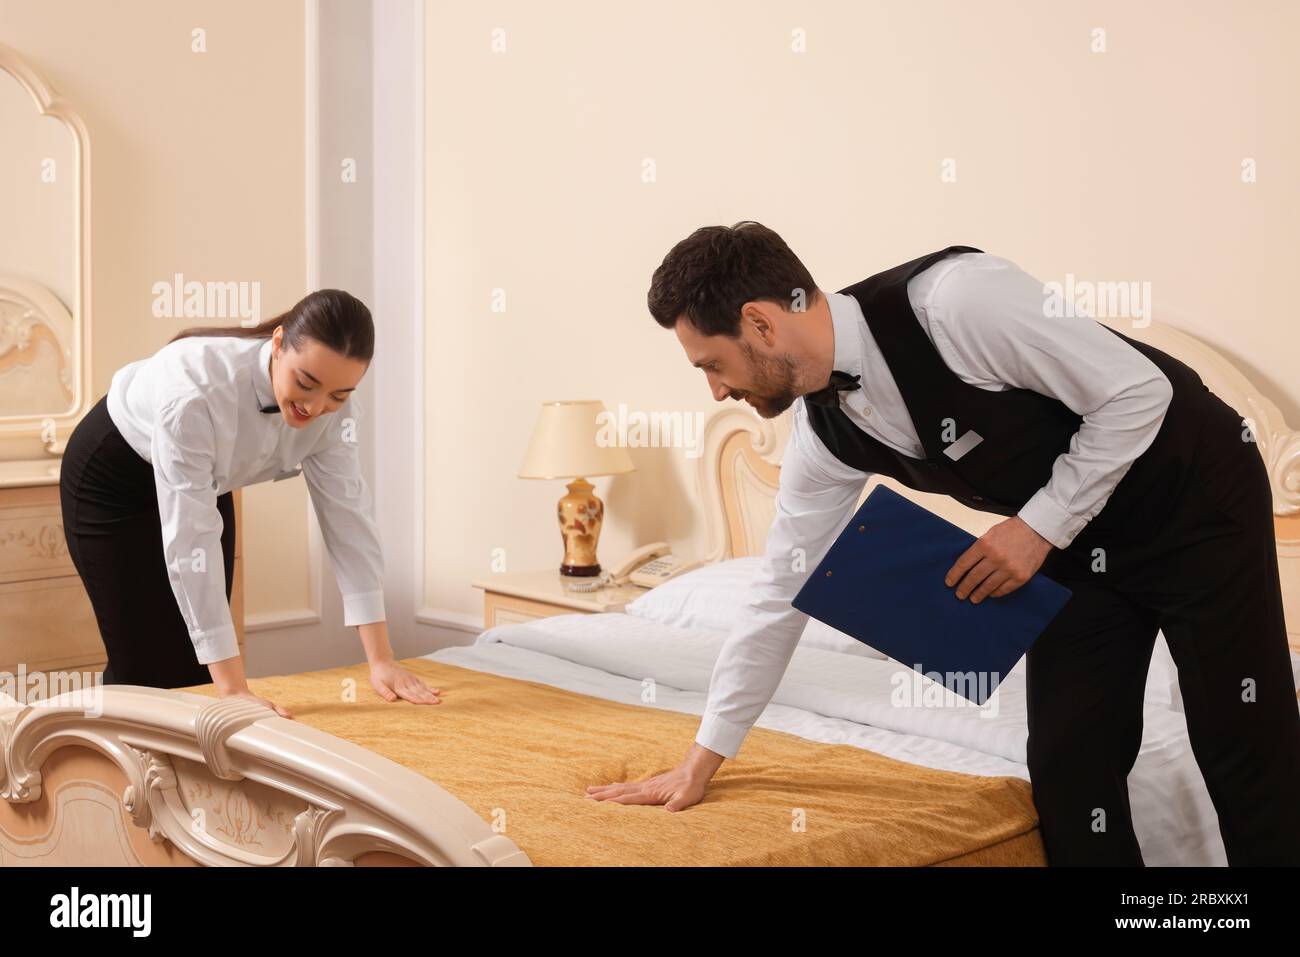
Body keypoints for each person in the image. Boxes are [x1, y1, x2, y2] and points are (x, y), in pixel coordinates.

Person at [587, 221, 1300, 866]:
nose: (715, 391)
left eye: (712, 364)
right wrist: (701, 761)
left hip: (1195, 497)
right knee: (1067, 762)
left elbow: (1139, 393)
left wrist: (1033, 529)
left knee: (1241, 739)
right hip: (1078, 540)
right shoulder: (824, 434)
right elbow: (780, 588)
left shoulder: (958, 301)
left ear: (760, 323)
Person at [59, 289, 441, 718]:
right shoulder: (194, 394)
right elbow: (191, 543)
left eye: (338, 395)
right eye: (306, 383)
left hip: (207, 481)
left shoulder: (336, 415)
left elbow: (349, 520)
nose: (316, 408)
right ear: (277, 343)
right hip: (112, 481)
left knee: (192, 661)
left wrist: (382, 660)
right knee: (144, 664)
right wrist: (235, 691)